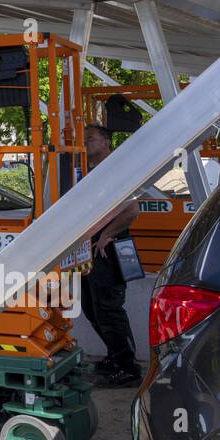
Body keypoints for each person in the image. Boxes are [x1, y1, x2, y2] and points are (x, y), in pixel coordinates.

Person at [81, 124, 141, 387]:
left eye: (90, 139)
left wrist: (107, 234)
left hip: (108, 250)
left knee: (108, 309)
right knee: (91, 307)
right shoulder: (91, 171)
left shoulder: (116, 169)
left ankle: (128, 368)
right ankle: (115, 357)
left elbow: (132, 209)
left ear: (106, 142)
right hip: (92, 250)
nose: (85, 143)